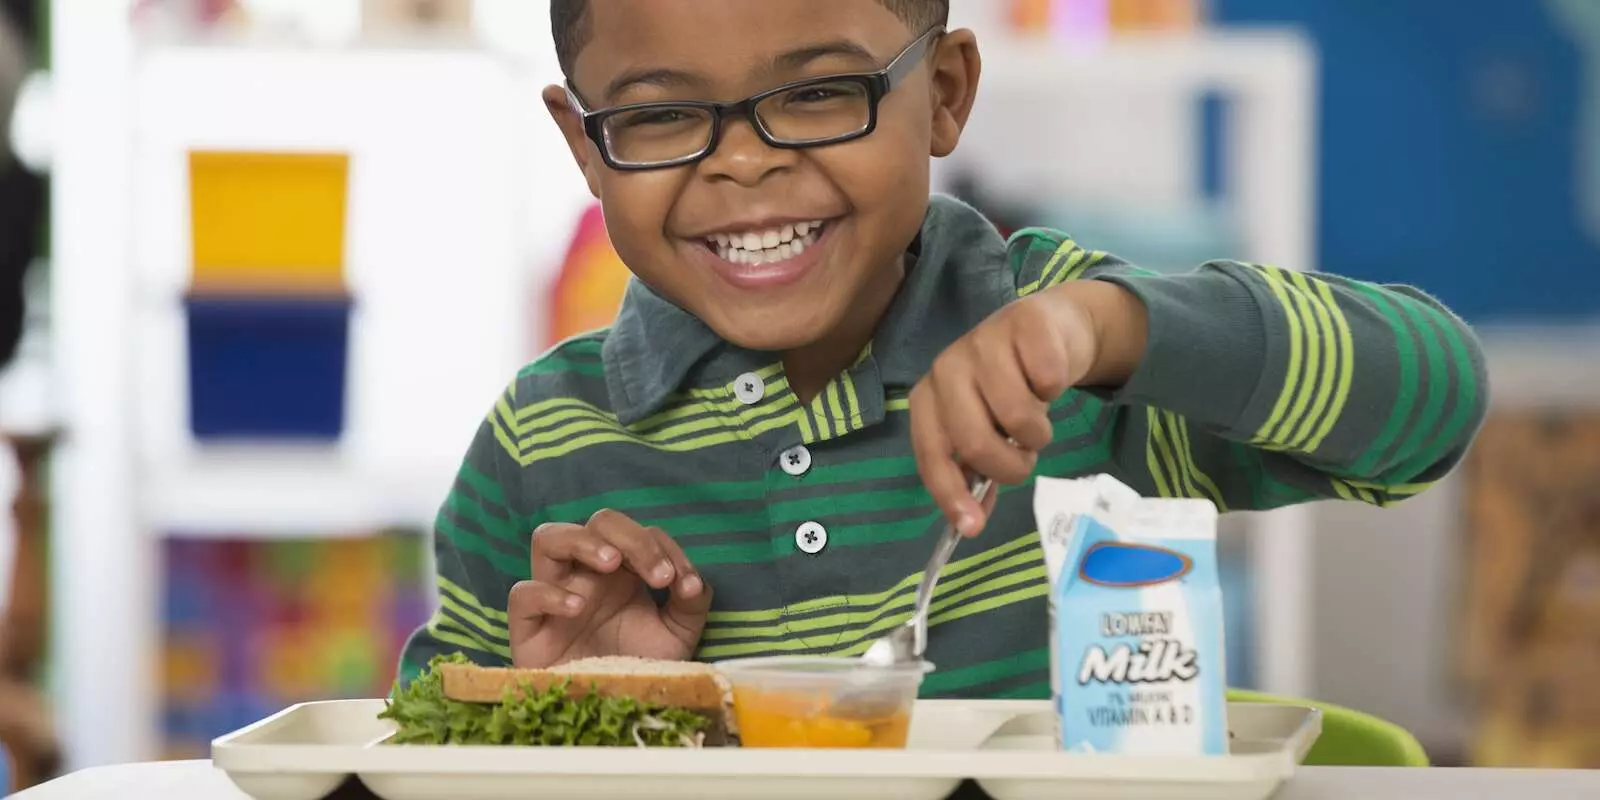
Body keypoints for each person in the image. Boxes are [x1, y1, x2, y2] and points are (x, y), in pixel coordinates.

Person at [396, 0, 1487, 699]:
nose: (740, 165)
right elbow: (411, 749)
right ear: (583, 145)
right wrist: (560, 717)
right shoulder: (544, 445)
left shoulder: (1073, 360)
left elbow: (1432, 402)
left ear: (945, 94)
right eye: (660, 116)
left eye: (819, 93)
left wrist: (1106, 328)